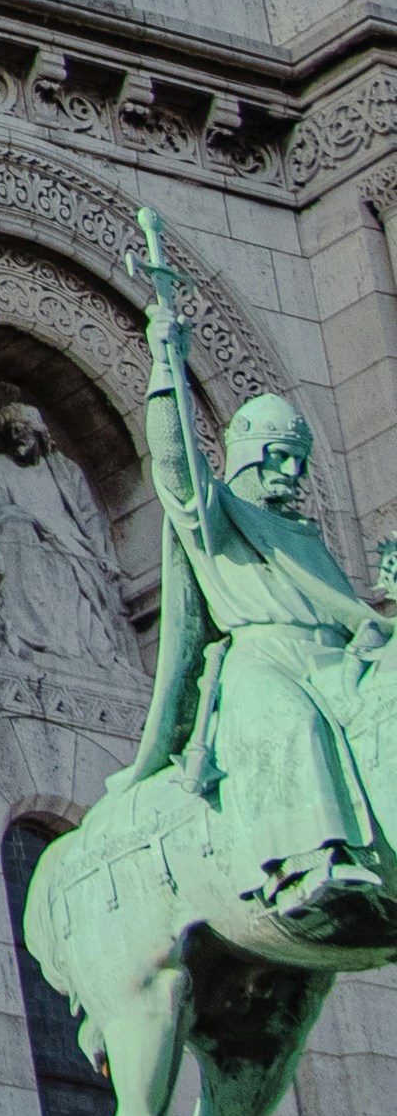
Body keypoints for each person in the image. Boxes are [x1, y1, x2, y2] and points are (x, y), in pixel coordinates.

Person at [133, 215, 397, 919]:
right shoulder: (214, 513)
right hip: (264, 659)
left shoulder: (303, 535)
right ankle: (310, 865)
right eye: (276, 457)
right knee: (291, 723)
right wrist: (166, 364)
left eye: (298, 461)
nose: (289, 472)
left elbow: (351, 616)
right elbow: (174, 463)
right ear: (247, 451)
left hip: (337, 660)